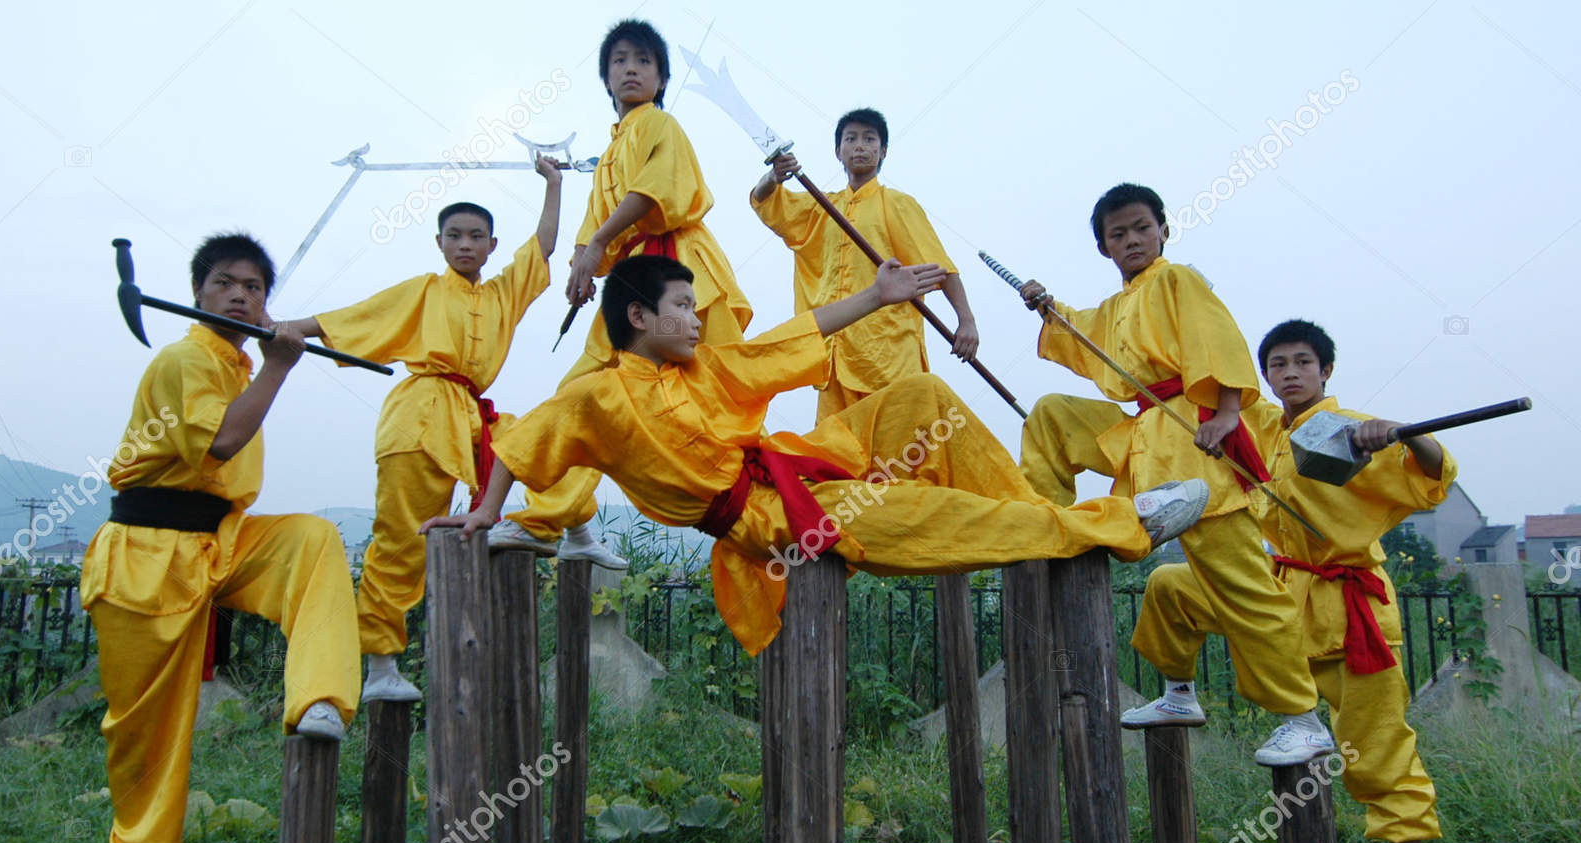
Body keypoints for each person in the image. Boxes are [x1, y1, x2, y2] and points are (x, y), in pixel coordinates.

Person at [425, 254, 1211, 657]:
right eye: (682, 309)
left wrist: (879, 295)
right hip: (768, 517)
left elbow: (788, 339)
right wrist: (487, 511)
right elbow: (522, 444)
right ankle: (1115, 524)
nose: (698, 320)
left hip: (803, 456)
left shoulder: (704, 365)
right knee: (904, 514)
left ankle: (1044, 522)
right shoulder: (593, 395)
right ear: (638, 314)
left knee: (922, 400)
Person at [83, 233, 360, 843]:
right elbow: (222, 441)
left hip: (220, 538)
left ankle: (319, 699)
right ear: (198, 291)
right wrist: (279, 368)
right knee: (140, 729)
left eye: (255, 287)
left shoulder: (238, 364)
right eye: (224, 283)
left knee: (312, 539)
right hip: (146, 551)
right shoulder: (185, 359)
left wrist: (267, 362)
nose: (240, 295)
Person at [1016, 182, 1332, 765]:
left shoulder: (1177, 278)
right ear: (1104, 248)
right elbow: (1086, 335)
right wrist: (1048, 307)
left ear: (1163, 229)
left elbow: (1219, 342)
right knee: (1053, 415)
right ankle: (1045, 529)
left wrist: (1228, 412)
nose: (1132, 239)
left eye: (1142, 227)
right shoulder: (1117, 305)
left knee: (1243, 585)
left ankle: (1302, 718)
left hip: (1193, 434)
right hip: (1143, 437)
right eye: (1118, 234)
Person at [1177, 319, 1448, 843]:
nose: (1290, 372)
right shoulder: (1264, 429)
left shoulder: (1353, 431)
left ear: (1325, 370)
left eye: (1303, 362)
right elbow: (1199, 411)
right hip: (1285, 593)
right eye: (1277, 364)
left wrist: (1403, 435)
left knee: (1375, 742)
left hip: (1353, 607)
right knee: (1177, 589)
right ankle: (1178, 690)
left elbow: (1433, 477)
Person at [287, 163, 562, 702]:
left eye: (475, 237)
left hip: (472, 416)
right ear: (439, 242)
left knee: (550, 440)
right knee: (402, 539)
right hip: (420, 416)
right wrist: (291, 328)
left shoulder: (503, 292)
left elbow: (544, 246)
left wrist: (554, 182)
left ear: (490, 245)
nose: (465, 244)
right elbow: (359, 315)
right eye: (454, 235)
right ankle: (382, 665)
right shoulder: (424, 290)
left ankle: (547, 525)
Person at [487, 18, 746, 562]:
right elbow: (594, 230)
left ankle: (763, 506)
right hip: (632, 285)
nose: (631, 68)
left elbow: (652, 197)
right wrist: (586, 265)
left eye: (644, 61)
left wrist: (597, 244)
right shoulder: (610, 151)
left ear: (660, 78)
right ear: (606, 79)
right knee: (587, 390)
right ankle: (557, 522)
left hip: (685, 273)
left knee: (726, 393)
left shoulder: (661, 126)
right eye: (620, 60)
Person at [750, 107, 978, 418]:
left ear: (882, 152)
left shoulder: (897, 204)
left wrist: (966, 322)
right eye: (851, 139)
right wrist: (774, 176)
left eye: (870, 139)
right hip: (835, 357)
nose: (860, 146)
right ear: (838, 151)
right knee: (834, 456)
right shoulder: (822, 207)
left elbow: (942, 269)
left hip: (889, 357)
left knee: (898, 453)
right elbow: (766, 203)